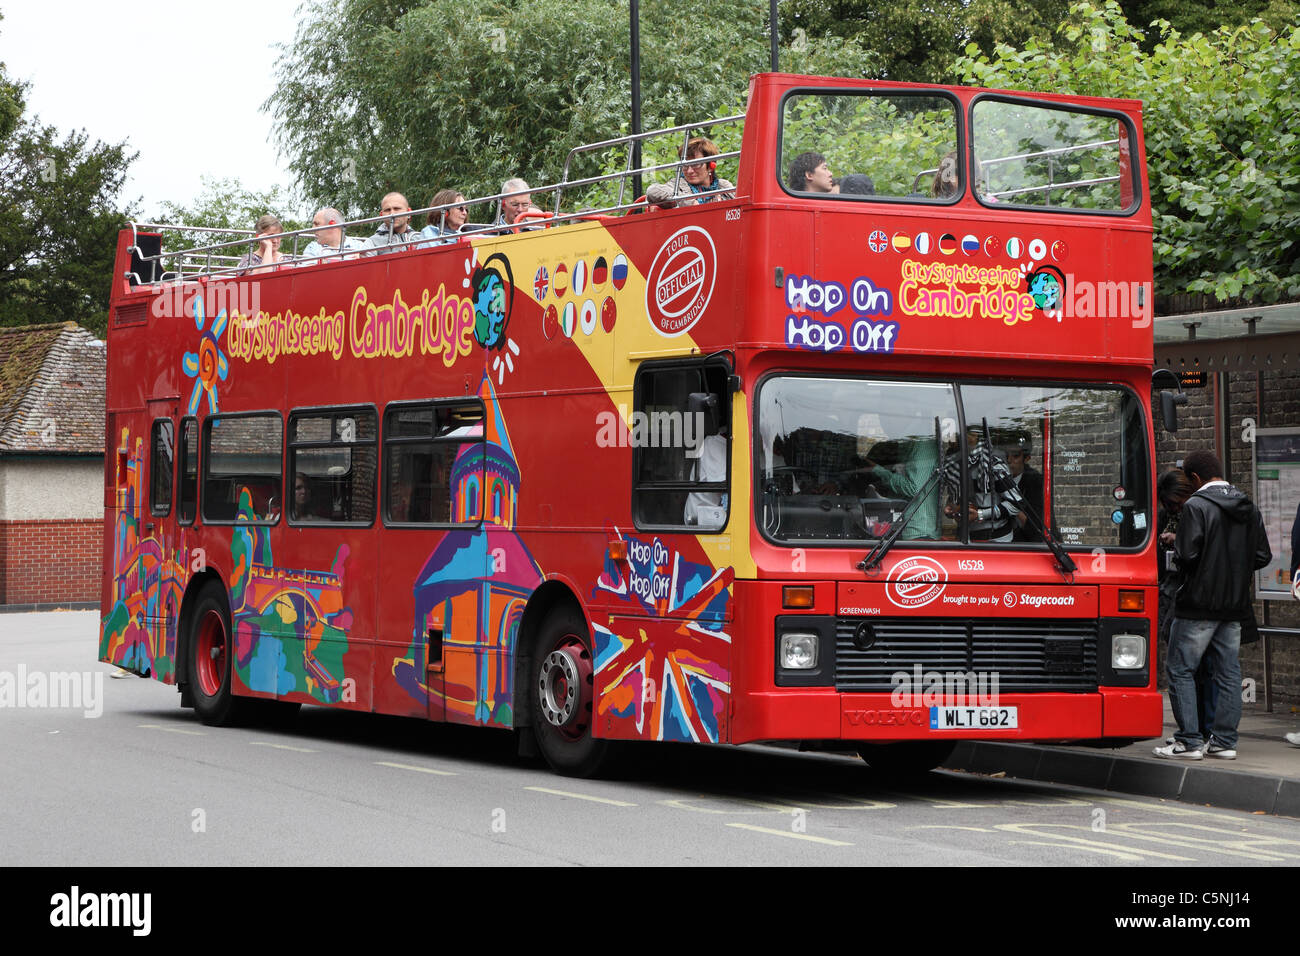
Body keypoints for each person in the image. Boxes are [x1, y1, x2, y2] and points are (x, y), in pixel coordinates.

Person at [1155, 450, 1270, 760]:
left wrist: (1177, 547)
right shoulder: (1247, 505)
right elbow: (1262, 556)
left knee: (1180, 670)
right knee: (1229, 673)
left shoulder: (1196, 506)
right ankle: (1224, 742)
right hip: (1234, 606)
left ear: (1194, 478)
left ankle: (1189, 741)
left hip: (1198, 605)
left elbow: (1187, 556)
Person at [644, 137, 736, 208]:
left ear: (711, 166)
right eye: (685, 165)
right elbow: (652, 191)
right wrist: (690, 202)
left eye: (696, 164)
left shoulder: (723, 186)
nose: (689, 171)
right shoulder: (678, 185)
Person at [1004, 433, 1044, 541]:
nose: (1009, 460)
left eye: (1015, 455)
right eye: (1006, 455)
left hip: (1029, 546)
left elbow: (1035, 528)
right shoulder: (993, 480)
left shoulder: (1035, 482)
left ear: (1027, 459)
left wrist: (1009, 498)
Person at [300, 207, 365, 260]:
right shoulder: (312, 248)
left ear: (332, 224)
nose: (312, 229)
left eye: (317, 224)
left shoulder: (359, 247)